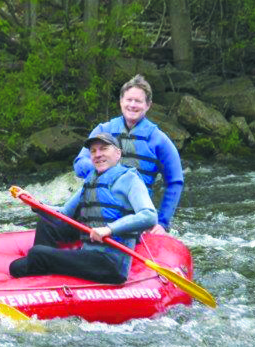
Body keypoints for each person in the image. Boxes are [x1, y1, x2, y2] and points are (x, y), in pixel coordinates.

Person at [11, 132, 157, 284]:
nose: (97, 154)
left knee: (37, 254)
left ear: (118, 153)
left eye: (103, 149)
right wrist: (34, 203)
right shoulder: (92, 180)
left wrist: (109, 229)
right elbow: (64, 214)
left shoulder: (130, 179)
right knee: (16, 267)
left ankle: (46, 272)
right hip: (88, 254)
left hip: (110, 264)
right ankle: (47, 276)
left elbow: (149, 216)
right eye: (93, 151)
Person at [73, 74, 182, 233]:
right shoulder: (104, 130)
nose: (132, 105)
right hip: (96, 210)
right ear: (121, 102)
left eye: (138, 101)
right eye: (128, 100)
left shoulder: (158, 140)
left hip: (133, 215)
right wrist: (106, 170)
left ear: (148, 105)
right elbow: (79, 163)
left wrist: (163, 222)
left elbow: (175, 181)